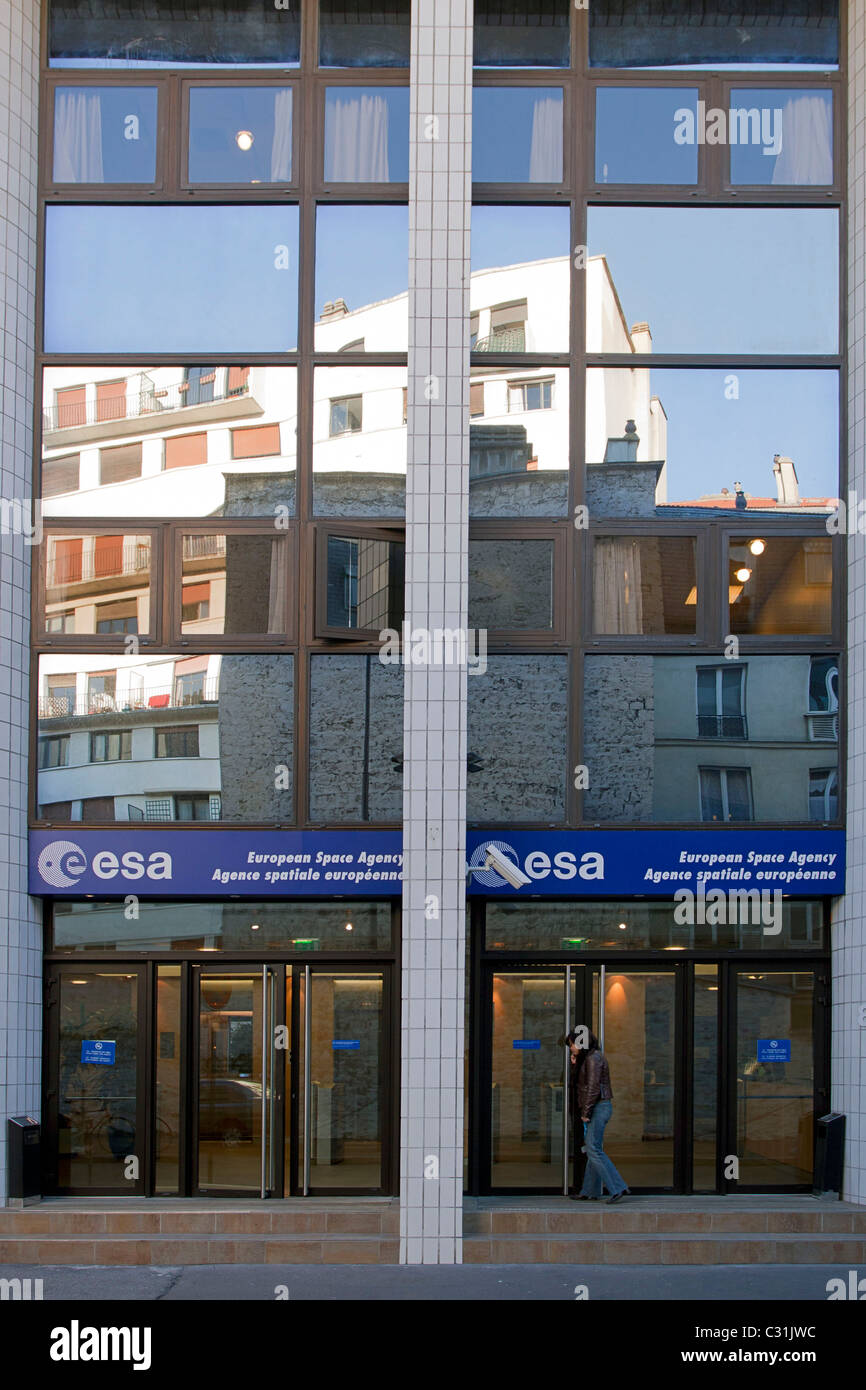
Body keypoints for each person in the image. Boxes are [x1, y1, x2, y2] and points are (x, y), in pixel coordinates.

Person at [567, 1029, 630, 1204]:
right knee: (592, 1148)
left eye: (572, 1044)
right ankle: (589, 1191)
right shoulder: (588, 1059)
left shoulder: (594, 1058)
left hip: (598, 1108)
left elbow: (593, 1087)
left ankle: (617, 1187)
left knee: (593, 1149)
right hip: (596, 1107)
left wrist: (586, 1113)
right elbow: (579, 1084)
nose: (571, 1048)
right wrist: (574, 1064)